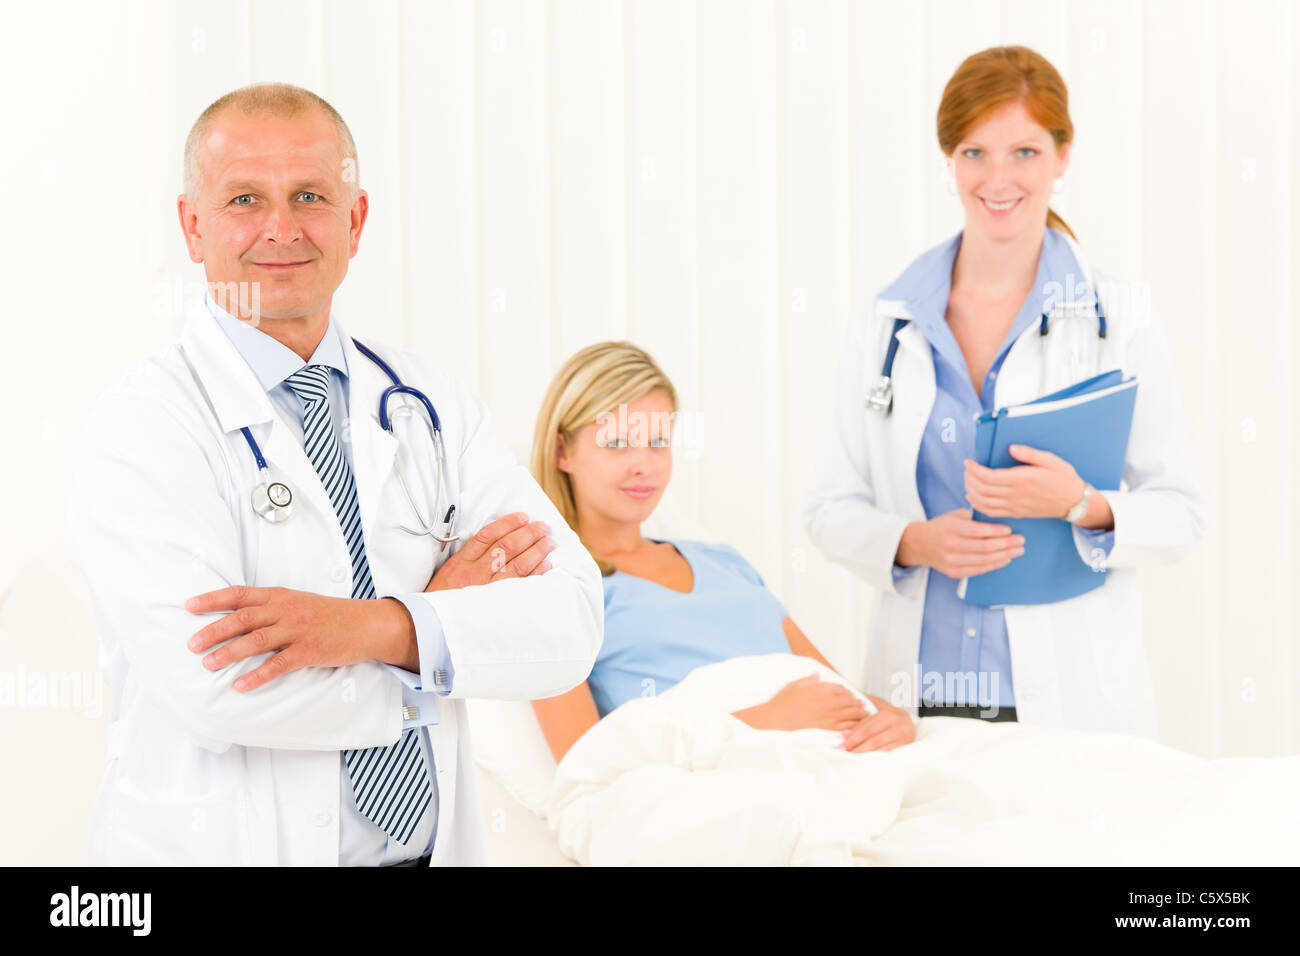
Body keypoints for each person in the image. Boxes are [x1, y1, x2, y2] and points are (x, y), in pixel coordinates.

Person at [65, 83, 603, 866]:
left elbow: (572, 623)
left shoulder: (432, 406)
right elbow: (219, 690)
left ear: (355, 221)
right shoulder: (144, 426)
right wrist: (438, 643)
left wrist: (370, 627)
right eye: (245, 198)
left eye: (310, 195)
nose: (281, 228)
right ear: (192, 225)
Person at [803, 47, 1206, 739]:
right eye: (973, 152)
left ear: (1062, 156)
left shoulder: (1120, 317)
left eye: (1023, 151)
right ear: (950, 162)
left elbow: (1182, 515)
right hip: (919, 701)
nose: (997, 178)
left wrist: (1082, 505)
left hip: (1069, 702)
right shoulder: (888, 320)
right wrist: (914, 541)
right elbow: (827, 508)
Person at [526, 342, 916, 763]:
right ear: (564, 451)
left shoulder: (726, 564)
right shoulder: (556, 590)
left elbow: (840, 695)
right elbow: (586, 765)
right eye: (617, 443)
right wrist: (765, 720)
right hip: (721, 787)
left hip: (832, 762)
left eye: (657, 442)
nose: (643, 464)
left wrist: (889, 716)